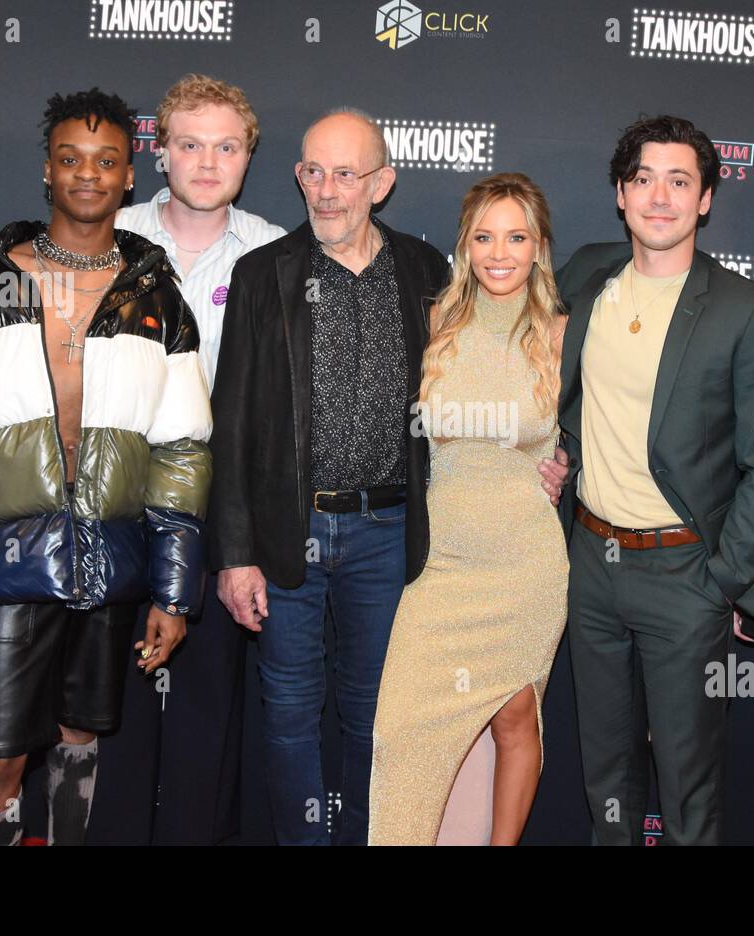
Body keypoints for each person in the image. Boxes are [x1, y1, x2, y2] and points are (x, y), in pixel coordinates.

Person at [0, 74, 285, 844]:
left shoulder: (173, 278)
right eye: (70, 158)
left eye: (226, 146)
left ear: (128, 167)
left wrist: (173, 579)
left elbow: (182, 449)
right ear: (49, 168)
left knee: (84, 737)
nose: (86, 173)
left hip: (125, 542)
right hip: (7, 554)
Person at [209, 109, 568, 845]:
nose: (328, 190)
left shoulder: (424, 272)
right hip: (287, 530)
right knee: (287, 713)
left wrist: (552, 459)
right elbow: (235, 422)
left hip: (391, 532)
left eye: (347, 173)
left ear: (383, 181)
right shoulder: (261, 274)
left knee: (381, 719)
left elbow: (507, 385)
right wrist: (235, 552)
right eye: (314, 171)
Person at [556, 115, 754, 845]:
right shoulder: (586, 274)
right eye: (643, 179)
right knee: (605, 775)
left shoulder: (746, 309)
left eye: (679, 181)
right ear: (621, 195)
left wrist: (724, 579)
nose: (659, 197)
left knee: (689, 788)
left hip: (685, 574)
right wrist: (559, 454)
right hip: (591, 565)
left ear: (705, 200)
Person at [367, 173, 568, 845]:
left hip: (524, 565)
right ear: (465, 246)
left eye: (516, 236)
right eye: (484, 236)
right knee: (398, 730)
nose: (499, 252)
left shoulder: (563, 334)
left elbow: (612, 435)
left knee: (516, 718)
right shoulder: (436, 326)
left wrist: (567, 464)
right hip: (442, 564)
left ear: (539, 246)